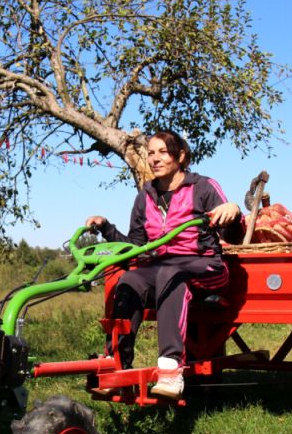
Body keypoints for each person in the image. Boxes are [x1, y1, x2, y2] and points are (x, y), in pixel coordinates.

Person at [85, 130, 244, 399]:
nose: (155, 159)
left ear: (180, 156)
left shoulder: (203, 187)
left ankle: (171, 370)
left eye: (162, 152)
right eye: (150, 153)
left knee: (171, 273)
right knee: (129, 280)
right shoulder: (144, 197)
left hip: (206, 266)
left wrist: (233, 211)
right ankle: (116, 364)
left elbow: (234, 236)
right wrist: (106, 228)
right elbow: (135, 247)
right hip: (161, 268)